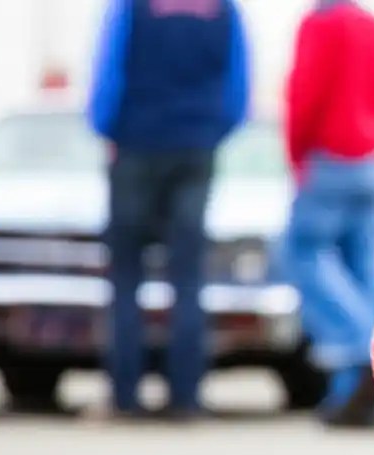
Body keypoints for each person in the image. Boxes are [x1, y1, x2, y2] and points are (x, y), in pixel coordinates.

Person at [87, 0, 250, 418]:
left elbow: (108, 73)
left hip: (135, 146)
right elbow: (238, 85)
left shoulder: (131, 6)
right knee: (189, 277)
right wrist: (211, 131)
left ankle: (125, 398)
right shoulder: (222, 8)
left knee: (125, 276)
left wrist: (109, 129)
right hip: (196, 148)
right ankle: (186, 398)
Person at [283, 0, 374, 427]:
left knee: (303, 252)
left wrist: (297, 155)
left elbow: (305, 92)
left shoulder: (322, 24)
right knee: (362, 269)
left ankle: (361, 349)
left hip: (332, 157)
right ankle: (355, 390)